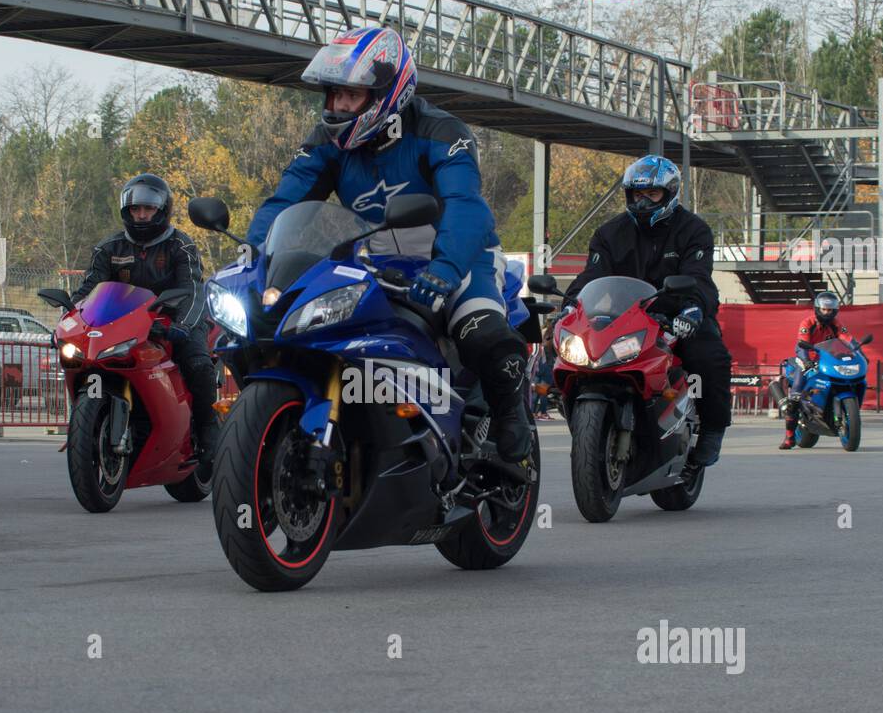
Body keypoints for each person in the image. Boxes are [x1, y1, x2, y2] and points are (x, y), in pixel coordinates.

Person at [246, 26, 532, 462]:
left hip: (460, 259)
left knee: (480, 333)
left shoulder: (442, 132)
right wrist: (255, 254)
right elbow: (287, 200)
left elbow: (466, 207)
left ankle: (512, 415)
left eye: (351, 95)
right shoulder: (327, 143)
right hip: (377, 263)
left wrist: (447, 268)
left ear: (387, 94)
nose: (339, 105)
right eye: (334, 94)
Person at [564, 155, 732, 466]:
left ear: (669, 193)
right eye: (636, 195)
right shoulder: (608, 233)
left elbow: (698, 276)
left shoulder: (694, 230)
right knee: (571, 355)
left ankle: (713, 427)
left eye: (651, 195)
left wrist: (693, 308)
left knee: (708, 355)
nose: (642, 202)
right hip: (621, 318)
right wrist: (570, 305)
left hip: (676, 315)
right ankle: (590, 424)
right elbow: (592, 275)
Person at [72, 173, 219, 477]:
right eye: (136, 209)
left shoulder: (181, 245)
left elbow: (193, 290)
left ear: (162, 210)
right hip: (126, 324)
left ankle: (207, 427)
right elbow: (88, 291)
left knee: (198, 363)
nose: (141, 215)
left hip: (175, 321)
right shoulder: (109, 247)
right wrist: (70, 321)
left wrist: (184, 325)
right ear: (127, 211)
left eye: (148, 209)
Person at [780, 290, 853, 450]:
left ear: (835, 310)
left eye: (830, 310)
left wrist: (857, 352)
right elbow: (802, 343)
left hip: (828, 361)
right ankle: (789, 437)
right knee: (796, 395)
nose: (827, 313)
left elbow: (847, 339)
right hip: (807, 359)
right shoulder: (808, 323)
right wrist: (806, 361)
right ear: (817, 308)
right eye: (824, 309)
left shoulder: (836, 324)